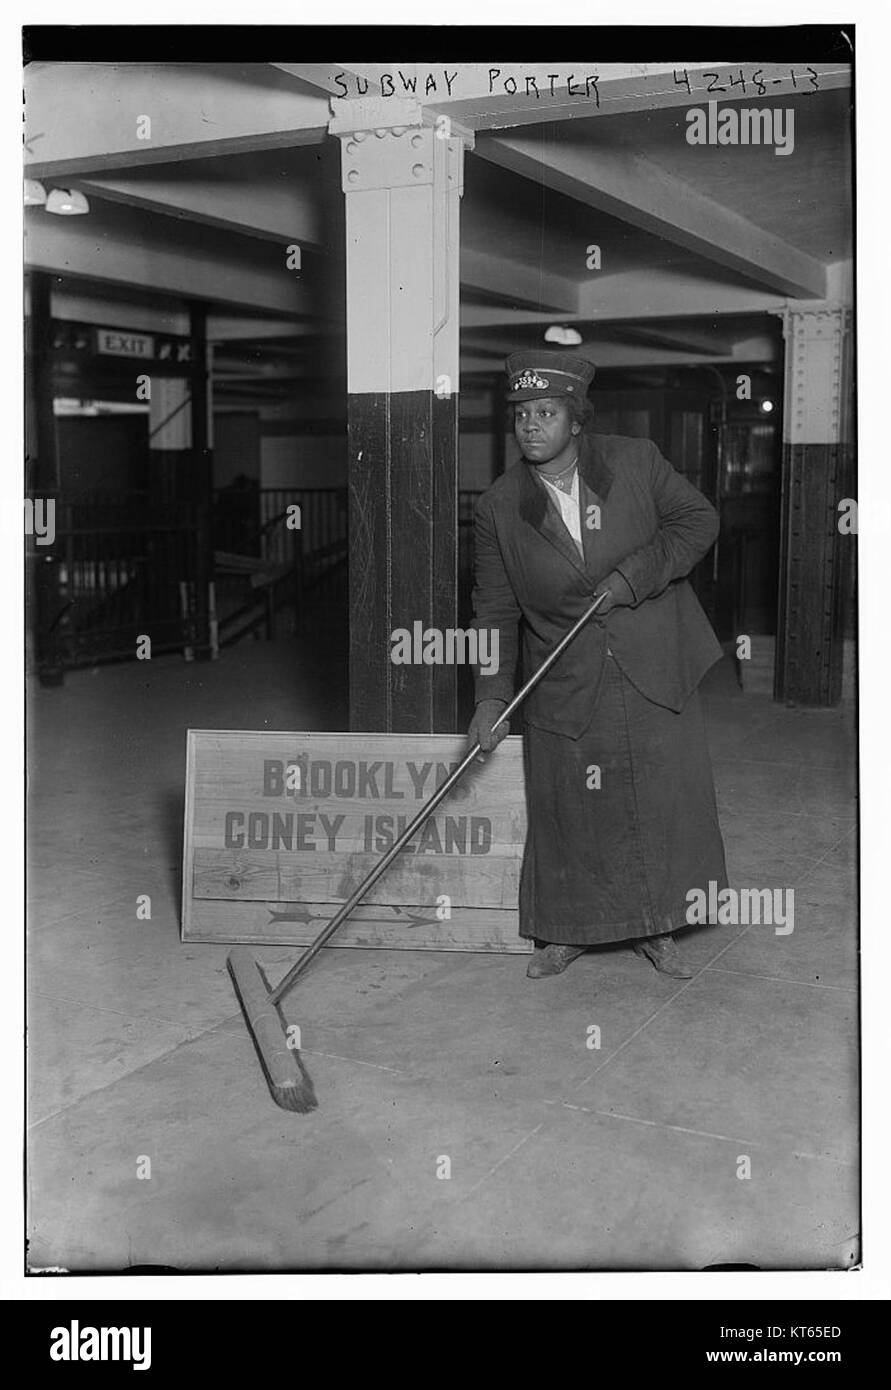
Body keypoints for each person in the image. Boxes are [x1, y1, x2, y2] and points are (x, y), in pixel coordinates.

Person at [467, 351, 728, 979]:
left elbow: (699, 521)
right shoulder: (499, 507)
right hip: (565, 674)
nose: (532, 425)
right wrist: (489, 697)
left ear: (576, 419)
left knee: (657, 798)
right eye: (522, 414)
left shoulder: (634, 461)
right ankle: (568, 931)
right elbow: (494, 609)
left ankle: (659, 926)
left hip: (654, 657)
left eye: (547, 412)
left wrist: (633, 576)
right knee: (574, 810)